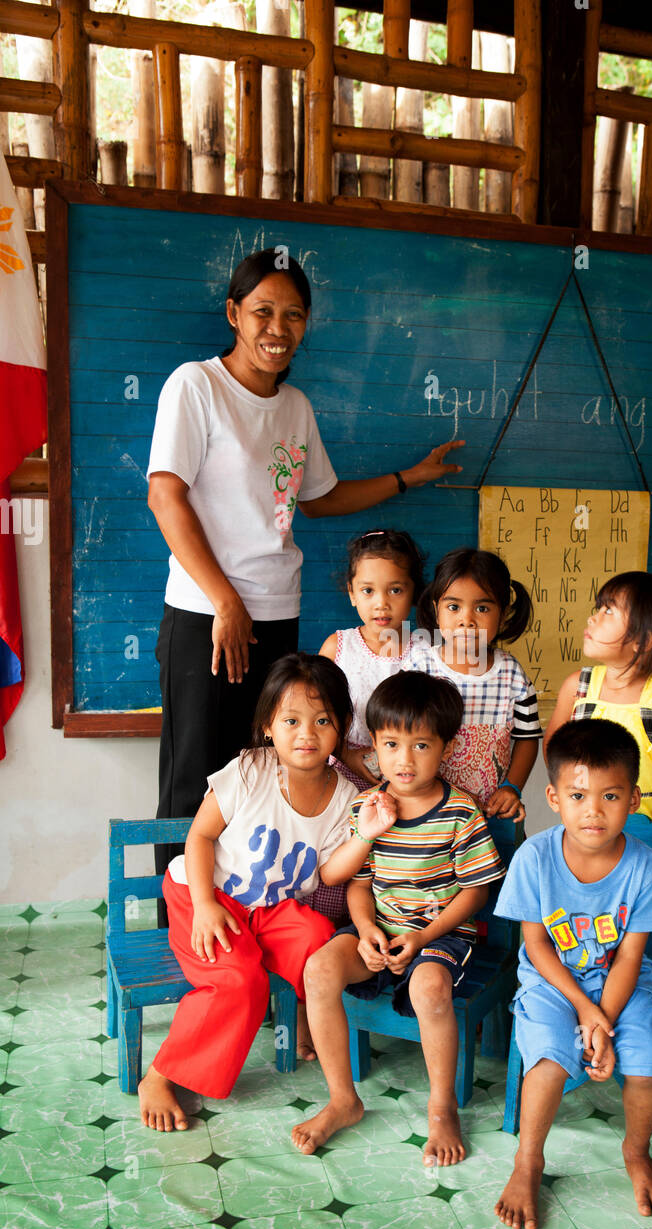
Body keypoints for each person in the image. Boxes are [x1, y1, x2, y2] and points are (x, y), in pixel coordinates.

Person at [146, 247, 463, 912]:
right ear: (234, 313)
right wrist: (225, 600)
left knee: (266, 769)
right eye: (262, 311)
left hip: (274, 614)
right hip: (206, 617)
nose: (277, 327)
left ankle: (255, 922)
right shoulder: (196, 387)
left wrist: (410, 478)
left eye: (293, 315)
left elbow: (317, 497)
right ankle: (188, 925)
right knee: (195, 777)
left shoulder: (295, 408)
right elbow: (165, 496)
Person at [137, 653, 398, 1132]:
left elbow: (332, 873)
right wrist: (204, 906)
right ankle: (161, 1074)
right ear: (267, 727)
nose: (307, 733)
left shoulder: (345, 794)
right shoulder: (250, 771)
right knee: (239, 981)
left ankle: (300, 1009)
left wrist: (366, 833)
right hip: (206, 896)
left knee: (318, 935)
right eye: (292, 720)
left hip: (272, 912)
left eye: (323, 721)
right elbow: (199, 838)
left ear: (341, 728)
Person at [292, 671, 504, 1166]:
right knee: (319, 969)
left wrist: (424, 935)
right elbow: (359, 884)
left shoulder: (461, 812)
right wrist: (365, 930)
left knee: (428, 989)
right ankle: (343, 1099)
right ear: (374, 747)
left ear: (446, 747)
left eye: (420, 746)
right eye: (390, 744)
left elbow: (476, 892)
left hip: (442, 933)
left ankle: (441, 1107)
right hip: (380, 930)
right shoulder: (369, 806)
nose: (403, 760)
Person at [494, 719, 652, 1229]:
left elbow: (630, 959)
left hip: (622, 985)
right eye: (577, 795)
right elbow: (537, 946)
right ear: (553, 797)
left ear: (634, 799)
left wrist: (606, 1018)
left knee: (648, 1066)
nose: (593, 810)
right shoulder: (534, 857)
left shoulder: (644, 866)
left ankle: (637, 1153)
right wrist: (586, 1011)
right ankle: (529, 1162)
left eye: (610, 795)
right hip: (553, 984)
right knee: (549, 1063)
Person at [544, 571, 652, 963]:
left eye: (607, 611)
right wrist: (570, 793)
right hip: (591, 821)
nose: (592, 617)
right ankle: (599, 987)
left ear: (642, 639)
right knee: (596, 914)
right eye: (597, 608)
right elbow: (554, 745)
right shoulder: (578, 686)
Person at [407, 548, 542, 841]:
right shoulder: (419, 667)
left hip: (491, 814)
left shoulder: (511, 674)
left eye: (482, 608)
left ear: (503, 614)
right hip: (429, 813)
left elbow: (528, 738)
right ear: (436, 608)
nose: (467, 619)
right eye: (454, 607)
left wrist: (512, 788)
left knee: (497, 882)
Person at [319, 528, 427, 790]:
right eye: (368, 590)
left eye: (396, 590)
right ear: (352, 593)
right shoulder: (338, 647)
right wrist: (345, 753)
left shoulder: (426, 652)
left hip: (407, 779)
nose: (381, 603)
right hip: (341, 777)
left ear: (413, 592)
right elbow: (317, 713)